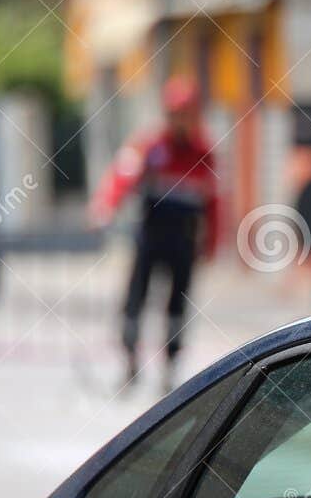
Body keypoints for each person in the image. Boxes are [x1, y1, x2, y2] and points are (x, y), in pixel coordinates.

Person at [90, 76, 220, 392]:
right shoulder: (150, 146)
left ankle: (170, 370)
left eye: (186, 113)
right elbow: (122, 176)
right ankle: (130, 363)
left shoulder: (204, 152)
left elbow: (215, 202)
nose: (180, 120)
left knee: (177, 306)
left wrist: (211, 243)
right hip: (150, 237)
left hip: (184, 242)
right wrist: (104, 206)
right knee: (135, 301)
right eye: (175, 113)